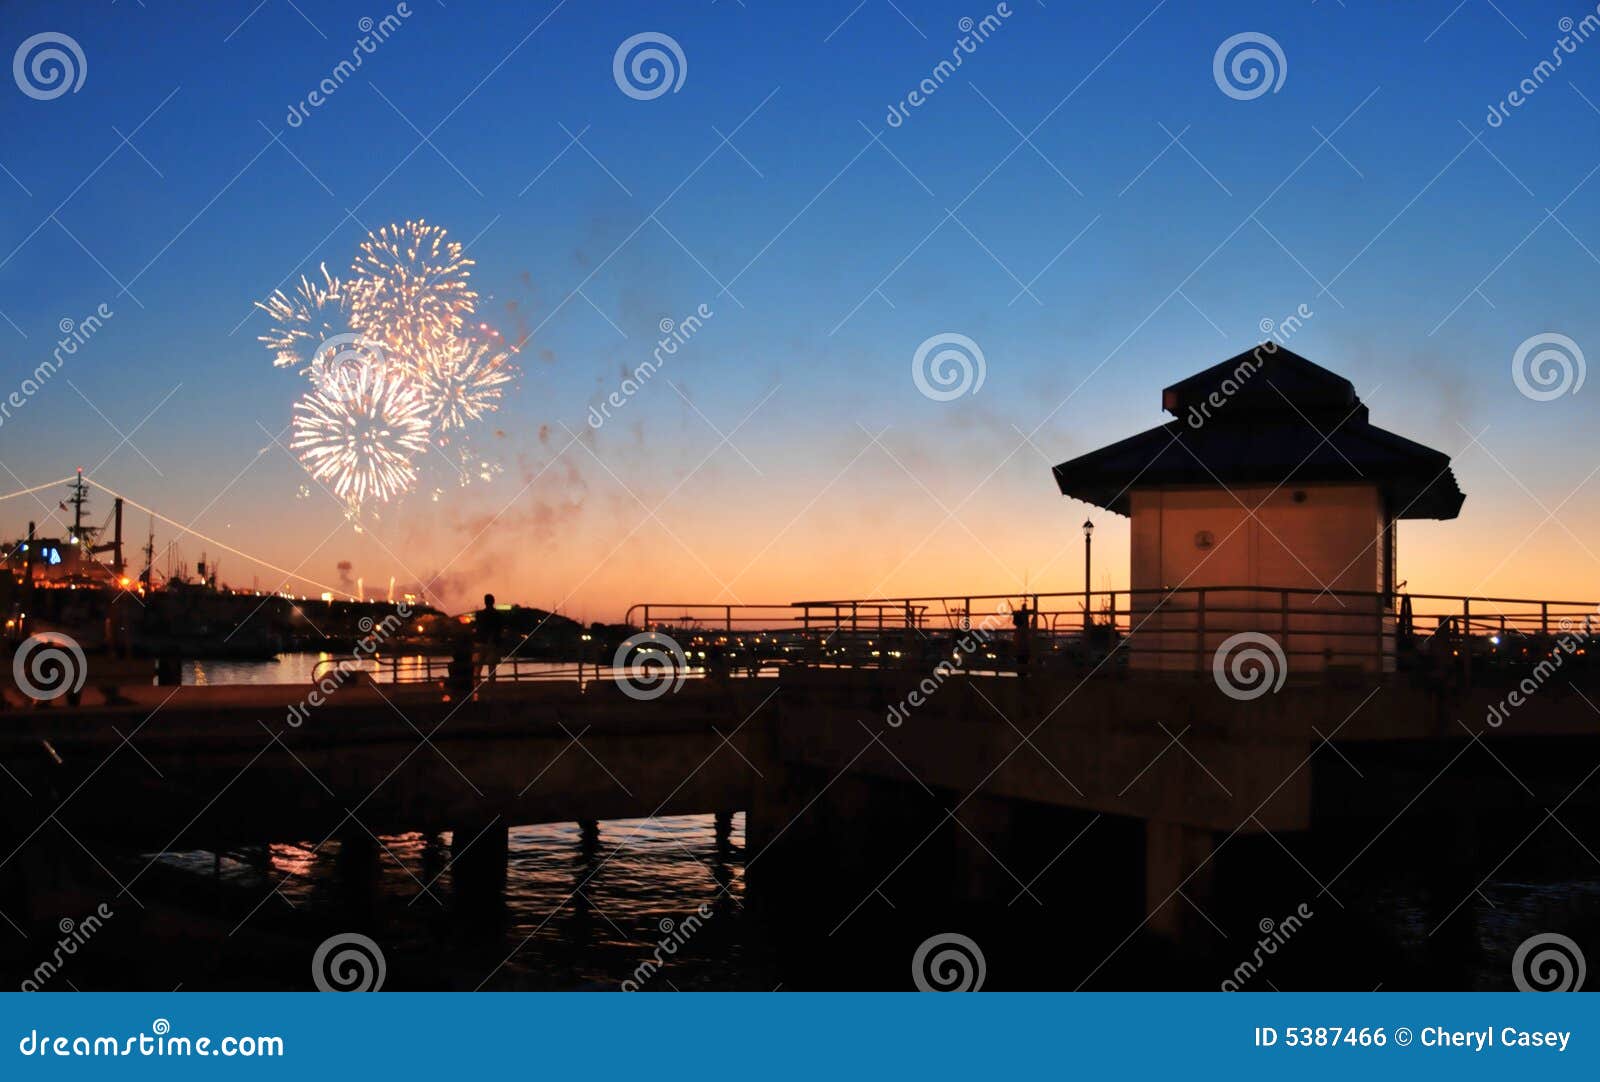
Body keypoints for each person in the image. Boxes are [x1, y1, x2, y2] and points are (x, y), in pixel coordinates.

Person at [476, 593, 503, 680]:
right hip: (493, 643)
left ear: (485, 602)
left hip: (481, 642)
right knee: (492, 667)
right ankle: (492, 685)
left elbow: (478, 628)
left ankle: (476, 683)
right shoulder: (497, 615)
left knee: (478, 666)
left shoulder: (479, 615)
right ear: (493, 601)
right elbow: (499, 629)